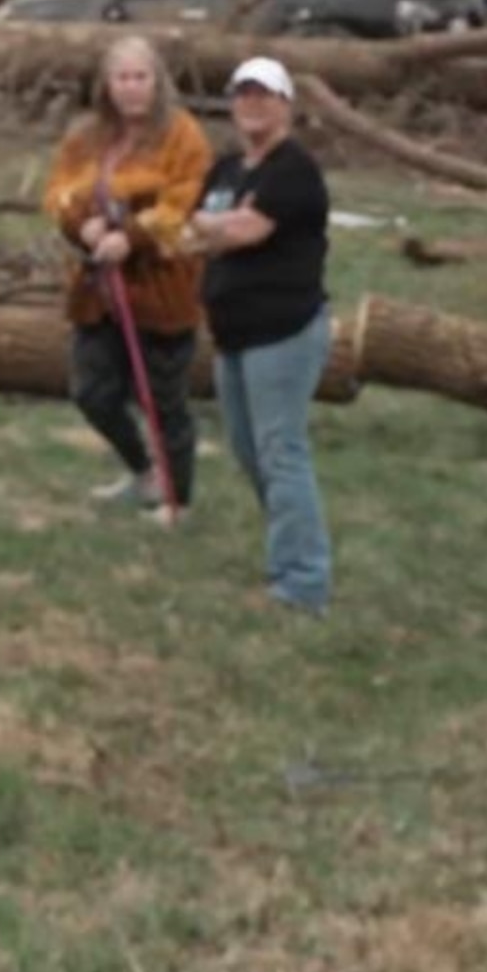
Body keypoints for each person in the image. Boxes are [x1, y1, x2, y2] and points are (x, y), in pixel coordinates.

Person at [43, 35, 211, 525]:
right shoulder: (89, 135)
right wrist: (83, 225)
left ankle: (176, 498)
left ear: (157, 82)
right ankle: (142, 471)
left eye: (142, 78)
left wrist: (132, 236)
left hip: (160, 285)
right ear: (107, 85)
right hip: (98, 289)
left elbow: (186, 201)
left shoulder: (183, 136)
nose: (133, 88)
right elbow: (61, 192)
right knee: (91, 390)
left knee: (162, 398)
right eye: (123, 78)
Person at [188, 59, 333, 612]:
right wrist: (207, 227)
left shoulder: (293, 170)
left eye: (265, 95)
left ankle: (303, 583)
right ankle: (287, 553)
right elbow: (197, 225)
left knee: (281, 452)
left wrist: (213, 226)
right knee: (250, 453)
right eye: (244, 94)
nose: (253, 104)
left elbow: (245, 231)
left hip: (284, 332)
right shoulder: (227, 169)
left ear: (286, 105)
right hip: (233, 334)